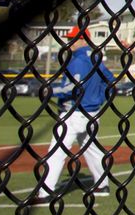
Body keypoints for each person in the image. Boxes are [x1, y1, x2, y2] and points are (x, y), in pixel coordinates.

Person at [34, 25, 118, 200]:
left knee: (57, 152)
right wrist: (99, 98)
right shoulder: (95, 58)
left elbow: (73, 87)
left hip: (73, 113)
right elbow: (110, 81)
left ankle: (45, 192)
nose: (69, 42)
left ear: (82, 39)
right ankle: (102, 185)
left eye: (72, 38)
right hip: (92, 113)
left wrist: (50, 91)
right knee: (92, 149)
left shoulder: (78, 60)